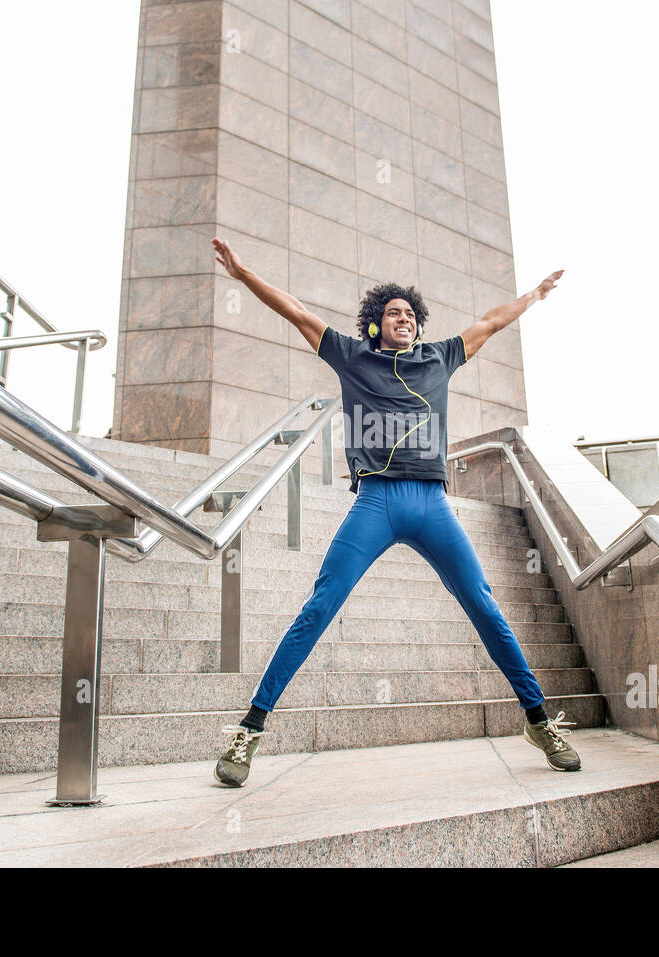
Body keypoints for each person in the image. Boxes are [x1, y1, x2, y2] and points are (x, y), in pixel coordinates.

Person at [208, 236, 577, 786]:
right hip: (376, 501)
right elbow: (297, 312)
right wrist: (243, 276)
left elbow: (492, 321)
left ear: (418, 324)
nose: (402, 318)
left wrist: (535, 295)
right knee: (320, 605)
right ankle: (250, 729)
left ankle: (538, 720)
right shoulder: (352, 357)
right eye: (392, 313)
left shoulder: (441, 357)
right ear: (375, 325)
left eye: (409, 313)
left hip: (431, 503)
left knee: (484, 606)